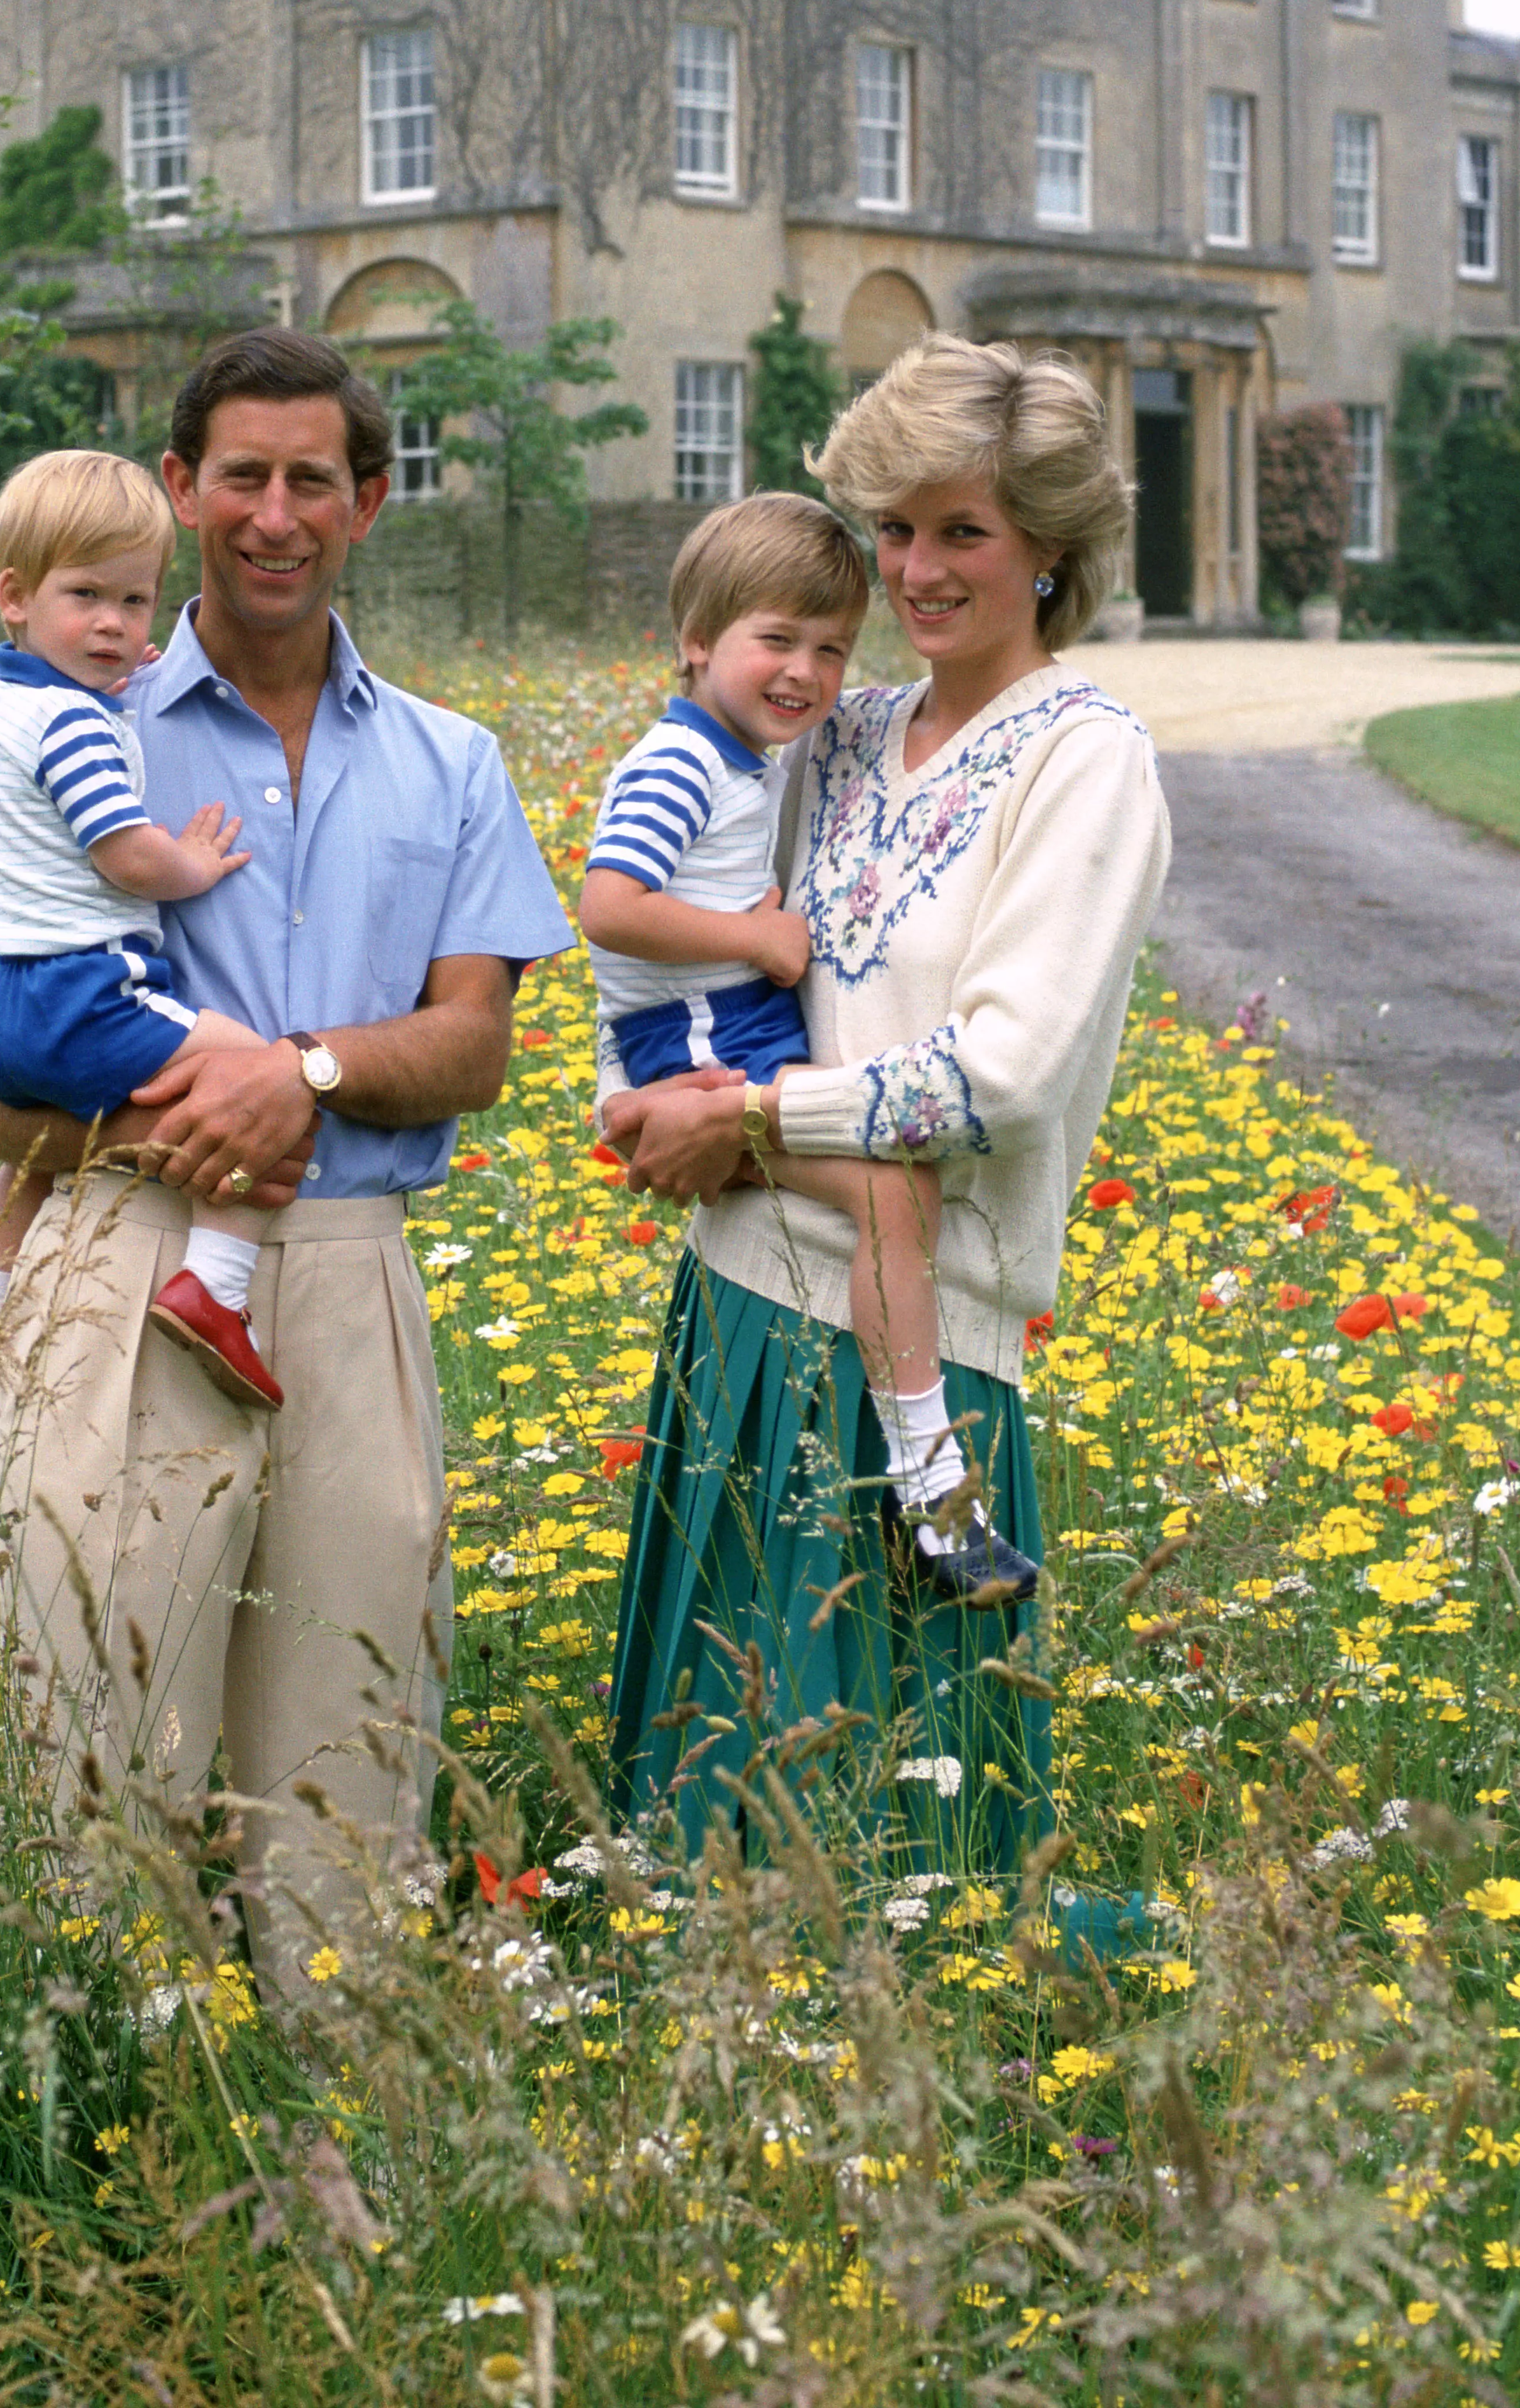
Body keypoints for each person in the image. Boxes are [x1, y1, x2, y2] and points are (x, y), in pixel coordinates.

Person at [0, 331, 572, 1994]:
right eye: (241, 477)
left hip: (343, 1278)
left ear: (370, 501)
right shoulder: (60, 721)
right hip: (122, 1255)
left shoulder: (449, 760)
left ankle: (352, 2166)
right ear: (182, 489)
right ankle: (124, 2155)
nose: (275, 515)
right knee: (102, 1743)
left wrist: (304, 1072)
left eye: (313, 481)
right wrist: (167, 1124)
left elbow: (471, 1041)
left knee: (354, 1751)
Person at [602, 334, 1170, 1886]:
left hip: (921, 1351)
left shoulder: (1082, 760)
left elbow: (994, 1080)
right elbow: (674, 897)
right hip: (737, 1304)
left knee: (895, 1840)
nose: (915, 569)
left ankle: (912, 2086)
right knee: (717, 1799)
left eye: (961, 531)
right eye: (895, 530)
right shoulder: (837, 731)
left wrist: (745, 1118)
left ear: (1048, 551)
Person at [580, 494, 1016, 1597]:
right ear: (695, 641)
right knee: (889, 1195)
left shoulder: (744, 758)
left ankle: (926, 1481)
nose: (807, 673)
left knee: (896, 1190)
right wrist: (760, 938)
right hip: (710, 1043)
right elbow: (609, 906)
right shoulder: (679, 763)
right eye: (776, 640)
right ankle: (933, 1494)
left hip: (733, 1034)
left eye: (831, 648)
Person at [0, 446, 281, 1412]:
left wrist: (95, 688)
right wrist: (195, 864)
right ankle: (217, 1289)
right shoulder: (76, 728)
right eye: (87, 597)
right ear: (15, 595)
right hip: (86, 988)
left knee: (32, 1156)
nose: (115, 626)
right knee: (260, 1080)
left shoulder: (0, 705)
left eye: (135, 603)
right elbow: (125, 855)